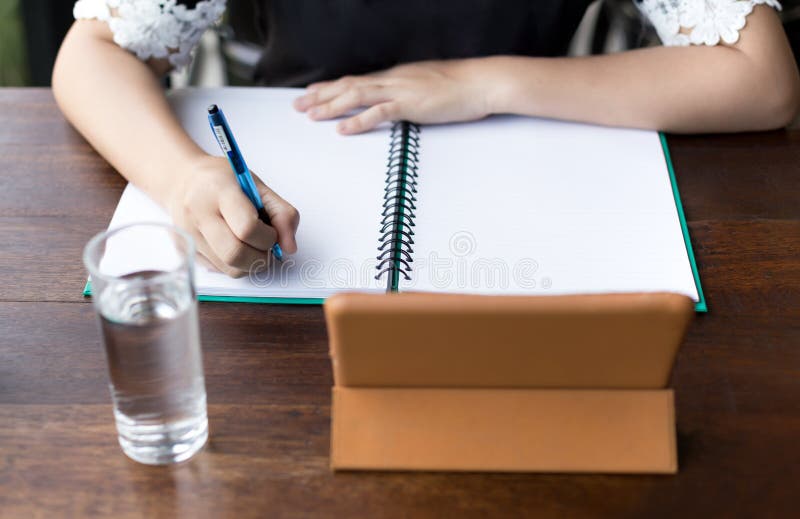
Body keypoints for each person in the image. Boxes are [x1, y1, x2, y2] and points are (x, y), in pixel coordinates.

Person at [53, 0, 799, 277]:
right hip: (306, 153)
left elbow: (763, 77)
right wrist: (184, 178)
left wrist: (487, 82)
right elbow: (91, 55)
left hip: (529, 172)